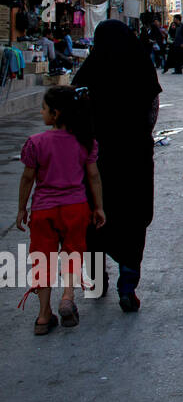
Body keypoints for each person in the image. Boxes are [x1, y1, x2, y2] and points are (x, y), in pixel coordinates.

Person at [73, 19, 162, 312]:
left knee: (95, 218)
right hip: (134, 157)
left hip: (95, 160)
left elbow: (74, 117)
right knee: (133, 218)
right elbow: (151, 113)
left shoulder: (90, 70)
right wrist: (136, 135)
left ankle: (97, 282)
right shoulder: (141, 66)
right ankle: (128, 286)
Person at [15, 87, 106, 335]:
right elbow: (94, 176)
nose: (41, 112)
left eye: (44, 108)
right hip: (76, 208)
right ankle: (67, 297)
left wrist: (22, 208)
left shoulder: (36, 143)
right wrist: (98, 207)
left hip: (44, 210)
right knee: (73, 254)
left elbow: (27, 178)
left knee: (42, 259)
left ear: (55, 114)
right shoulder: (85, 142)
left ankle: (43, 316)